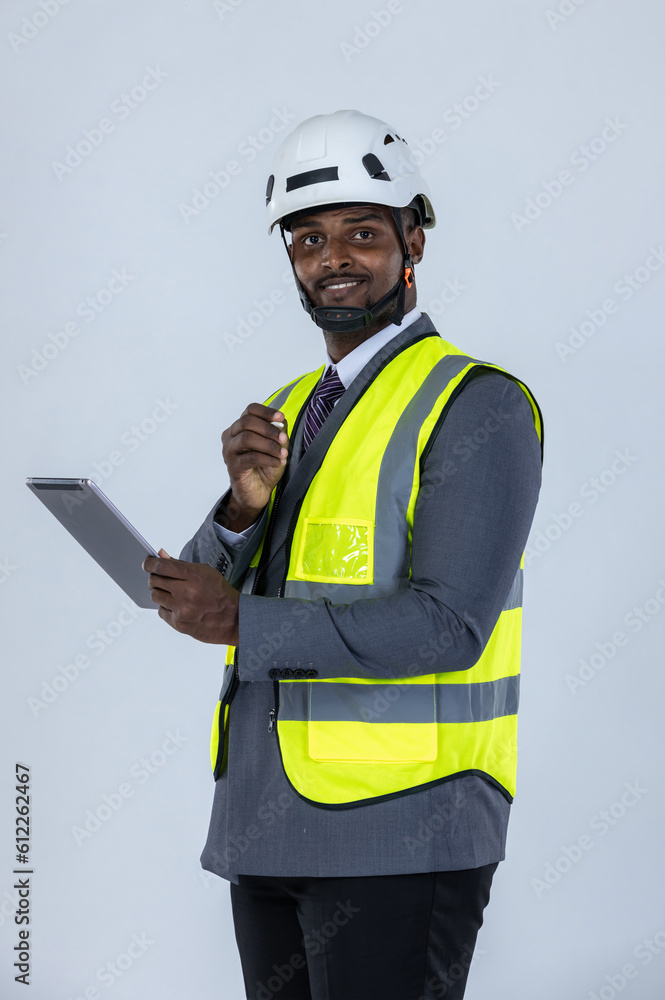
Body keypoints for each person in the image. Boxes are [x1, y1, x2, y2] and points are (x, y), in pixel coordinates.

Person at [144, 109, 544, 1000]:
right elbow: (214, 591)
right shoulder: (290, 407)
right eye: (309, 239)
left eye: (362, 234)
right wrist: (242, 508)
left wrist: (236, 617)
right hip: (267, 818)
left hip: (404, 830)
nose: (334, 259)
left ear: (414, 240)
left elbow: (448, 628)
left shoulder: (474, 405)